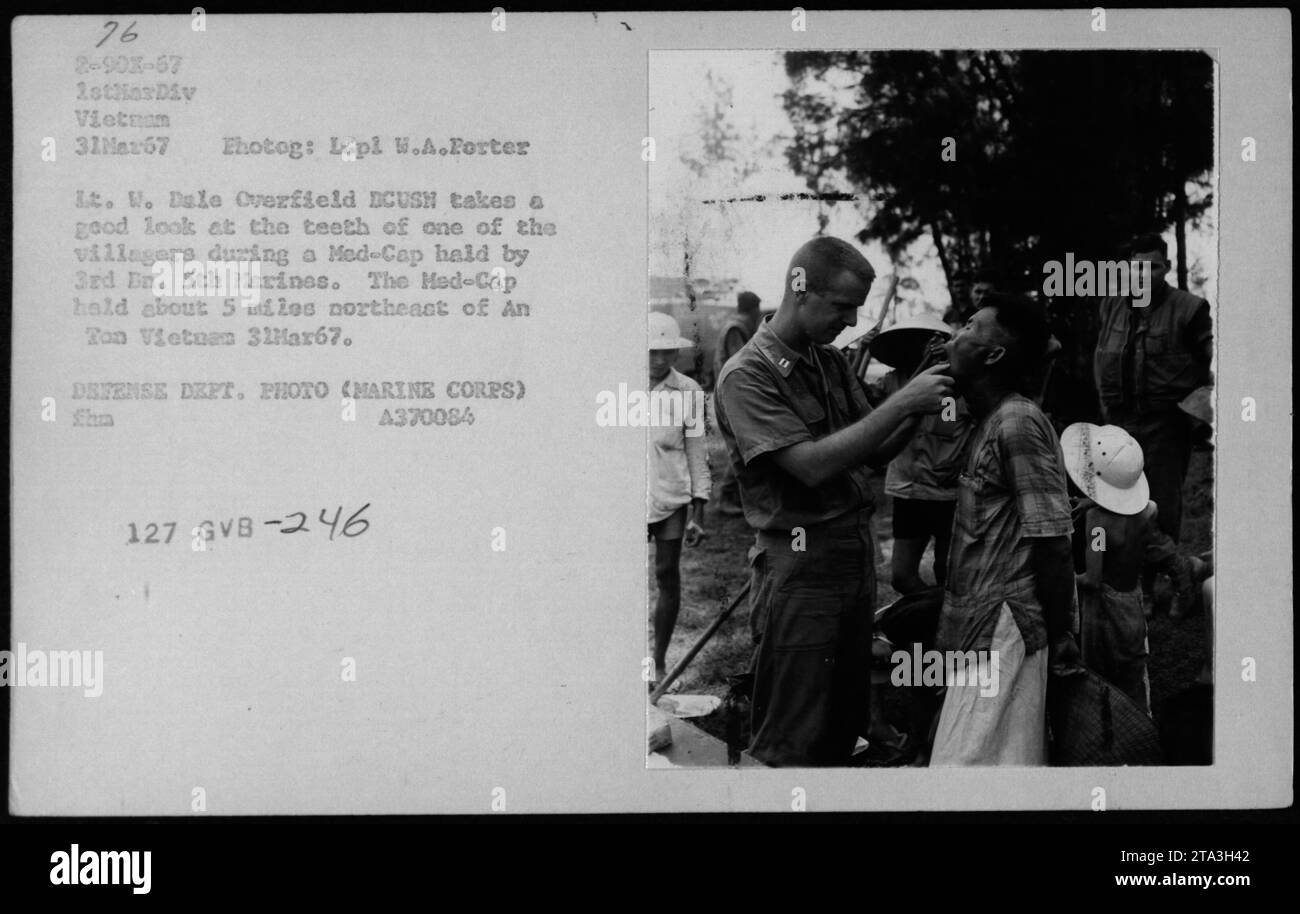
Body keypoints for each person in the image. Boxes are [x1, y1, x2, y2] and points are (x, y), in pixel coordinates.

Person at [714, 236, 953, 766]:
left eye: (856, 308)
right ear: (800, 289)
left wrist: (915, 400)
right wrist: (902, 404)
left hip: (851, 554)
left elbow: (871, 453)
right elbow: (811, 465)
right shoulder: (747, 374)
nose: (850, 321)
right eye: (841, 306)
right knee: (792, 730)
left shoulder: (827, 362)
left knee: (842, 720)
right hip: (801, 564)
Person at [929, 293, 1081, 766]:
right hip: (980, 622)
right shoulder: (986, 416)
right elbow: (935, 466)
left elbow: (1052, 542)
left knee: (968, 767)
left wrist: (1061, 636)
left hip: (1005, 627)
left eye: (970, 327)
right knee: (996, 761)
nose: (955, 334)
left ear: (994, 355)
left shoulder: (1016, 422)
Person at [1094, 233, 1213, 552]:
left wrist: (1200, 418)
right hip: (1118, 424)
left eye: (1153, 267)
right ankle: (1123, 579)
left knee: (1160, 507)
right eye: (1136, 267)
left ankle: (1168, 581)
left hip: (1166, 427)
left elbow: (1212, 364)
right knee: (1113, 504)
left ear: (1168, 267)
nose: (1143, 275)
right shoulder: (1111, 304)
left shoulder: (1190, 309)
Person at [1062, 423, 1183, 715]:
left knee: (1103, 677)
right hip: (1132, 600)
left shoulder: (1098, 524)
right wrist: (1096, 501)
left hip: (1106, 610)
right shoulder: (1149, 510)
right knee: (1132, 676)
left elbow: (1092, 578)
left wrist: (1063, 577)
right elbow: (1132, 509)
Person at [867, 316, 976, 594]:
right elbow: (860, 404)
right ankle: (930, 614)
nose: (923, 347)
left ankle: (945, 624)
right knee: (902, 578)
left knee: (948, 573)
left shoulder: (961, 386)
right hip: (908, 491)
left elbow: (975, 431)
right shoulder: (893, 381)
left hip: (948, 495)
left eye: (928, 341)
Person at [647, 311, 711, 690]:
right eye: (652, 352)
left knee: (666, 575)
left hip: (672, 496)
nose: (658, 361)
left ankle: (658, 661)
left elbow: (696, 450)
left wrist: (698, 510)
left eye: (666, 352)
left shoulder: (688, 391)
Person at [712, 291, 763, 516]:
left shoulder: (736, 325)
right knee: (741, 447)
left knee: (744, 446)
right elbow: (740, 362)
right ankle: (725, 497)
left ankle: (736, 497)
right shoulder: (736, 327)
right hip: (733, 393)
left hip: (734, 392)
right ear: (753, 309)